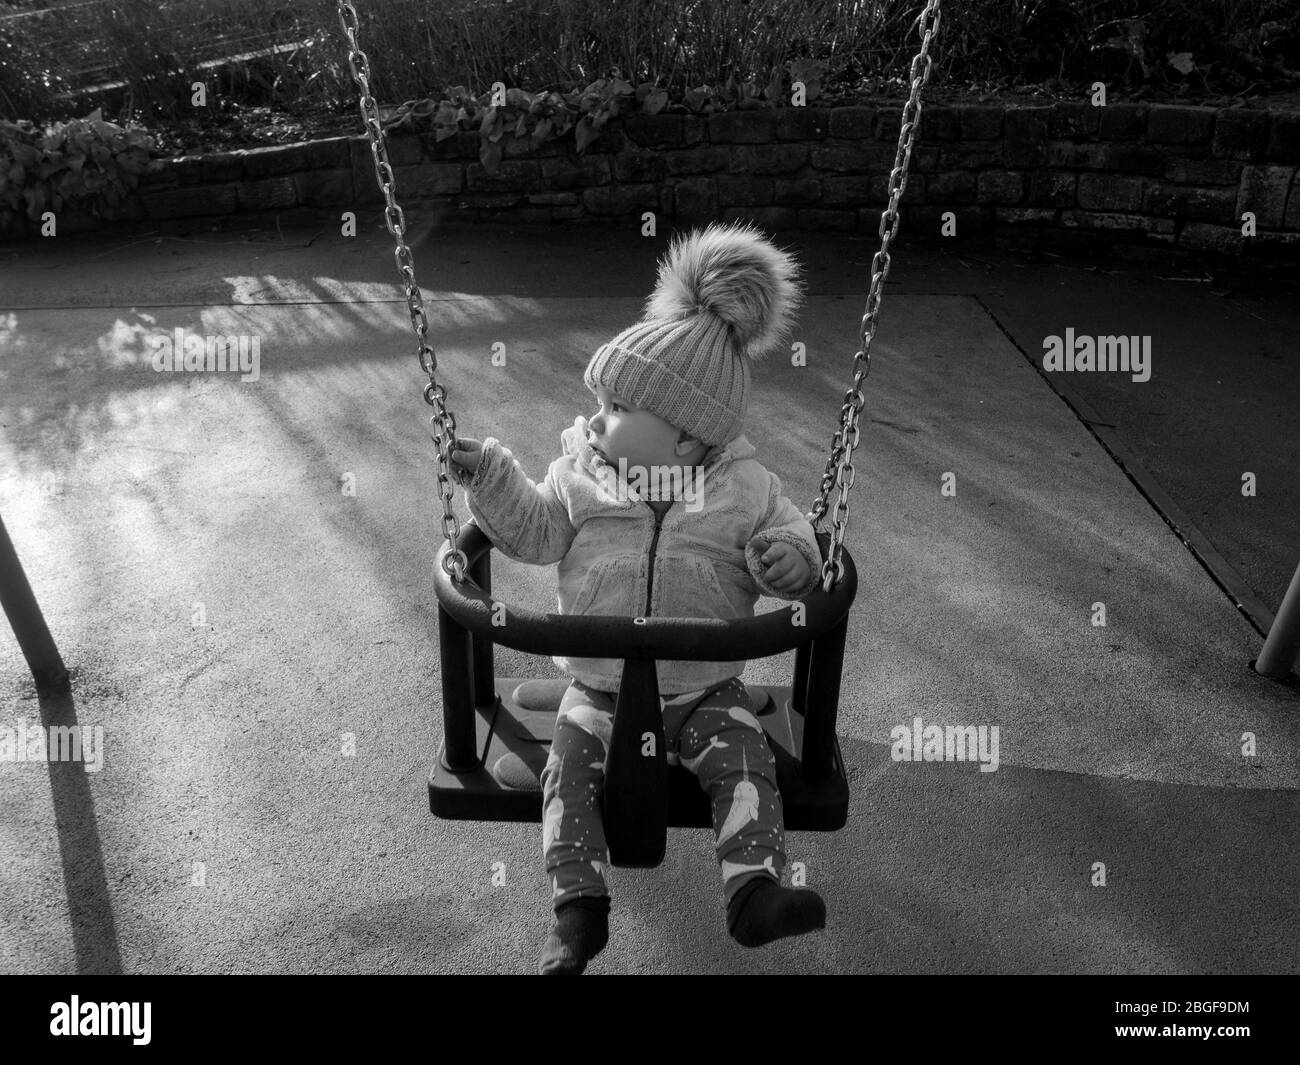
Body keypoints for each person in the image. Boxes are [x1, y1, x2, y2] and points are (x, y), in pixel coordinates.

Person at [448, 221, 827, 974]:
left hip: (705, 689)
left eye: (617, 405)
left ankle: (753, 894)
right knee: (567, 773)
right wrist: (491, 476)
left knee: (745, 763)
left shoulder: (745, 491)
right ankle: (577, 911)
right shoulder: (578, 477)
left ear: (687, 440)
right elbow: (531, 529)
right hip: (599, 686)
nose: (597, 414)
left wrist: (790, 560)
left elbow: (800, 541)